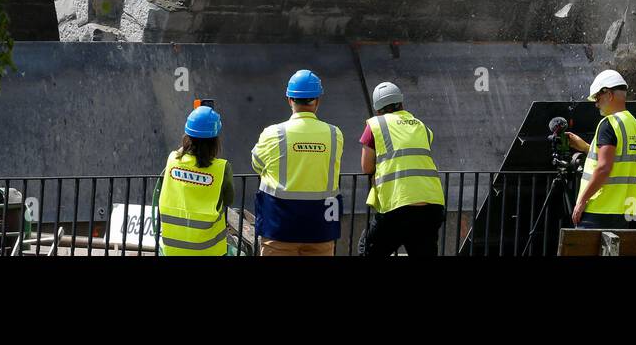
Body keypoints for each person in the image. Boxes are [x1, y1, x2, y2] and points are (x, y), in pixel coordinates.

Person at [251, 69, 344, 256]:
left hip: (279, 226)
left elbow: (257, 165)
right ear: (317, 101)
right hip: (321, 227)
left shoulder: (273, 133)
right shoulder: (335, 134)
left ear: (289, 100)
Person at [358, 81, 446, 256]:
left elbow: (366, 167)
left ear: (377, 109)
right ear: (401, 102)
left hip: (398, 206)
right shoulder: (421, 126)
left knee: (367, 250)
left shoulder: (376, 125)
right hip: (431, 206)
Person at [567, 69, 636, 229]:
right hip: (627, 209)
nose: (596, 103)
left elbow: (604, 167)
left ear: (609, 94)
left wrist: (582, 200)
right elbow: (620, 160)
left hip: (600, 208)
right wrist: (587, 148)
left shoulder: (609, 123)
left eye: (597, 97)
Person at [158, 100, 234, 256]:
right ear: (215, 140)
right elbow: (228, 200)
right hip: (209, 251)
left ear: (187, 136)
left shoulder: (173, 159)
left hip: (171, 250)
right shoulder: (221, 168)